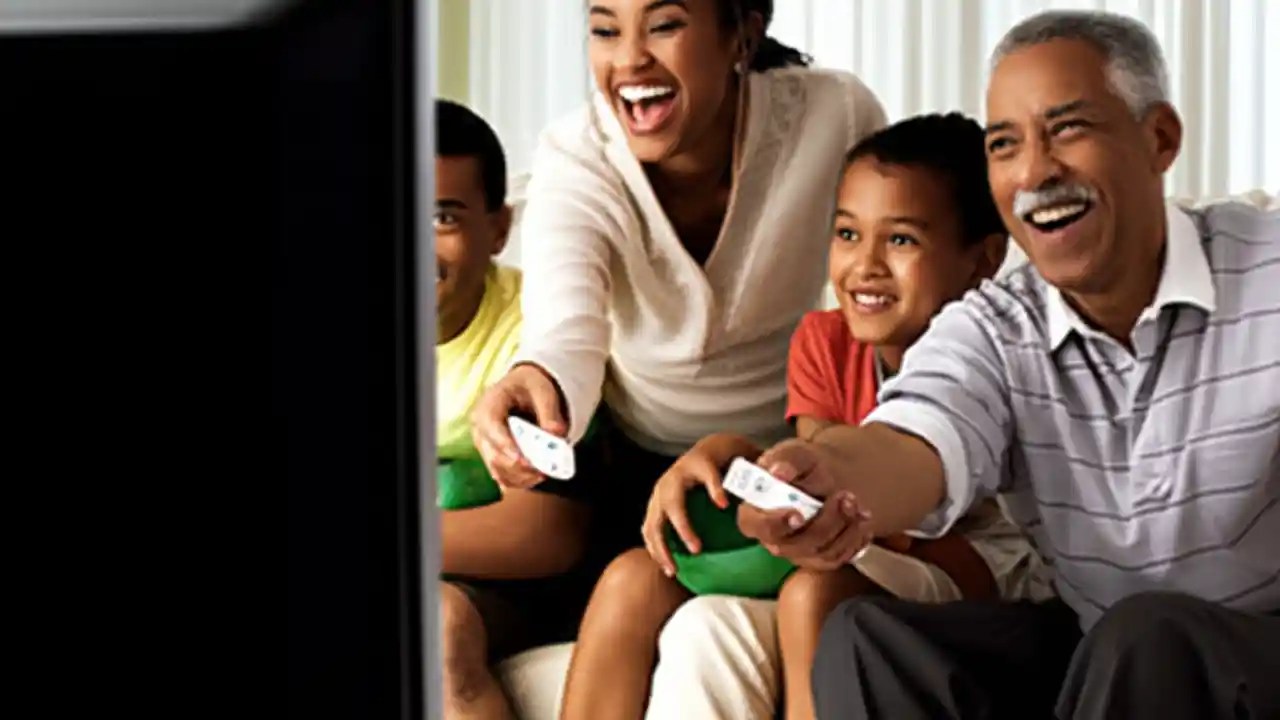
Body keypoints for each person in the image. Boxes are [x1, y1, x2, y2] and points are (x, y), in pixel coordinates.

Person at [677, 10, 1280, 719]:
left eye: (1068, 130)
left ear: (1159, 138)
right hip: (1102, 650)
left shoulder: (1265, 270)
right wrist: (827, 476)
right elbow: (913, 437)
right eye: (1004, 145)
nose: (1034, 172)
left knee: (1149, 632)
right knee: (870, 639)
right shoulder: (995, 325)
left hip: (1252, 649)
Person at [561, 113, 1054, 720]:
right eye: (848, 235)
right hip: (861, 541)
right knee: (635, 578)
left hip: (973, 561)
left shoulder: (1000, 354)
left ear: (983, 258)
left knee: (813, 593)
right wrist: (730, 456)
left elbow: (875, 516)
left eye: (901, 240)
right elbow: (822, 471)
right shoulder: (825, 340)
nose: (865, 265)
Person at [469, 1, 885, 714]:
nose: (628, 59)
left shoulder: (836, 116)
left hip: (791, 459)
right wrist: (533, 385)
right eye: (605, 30)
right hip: (634, 469)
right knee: (630, 585)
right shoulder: (577, 158)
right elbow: (565, 331)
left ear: (743, 32)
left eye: (662, 24)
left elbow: (902, 252)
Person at [433, 99, 598, 720]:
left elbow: (545, 536)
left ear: (499, 228)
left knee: (437, 627)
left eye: (441, 218)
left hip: (523, 587)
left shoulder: (539, 333)